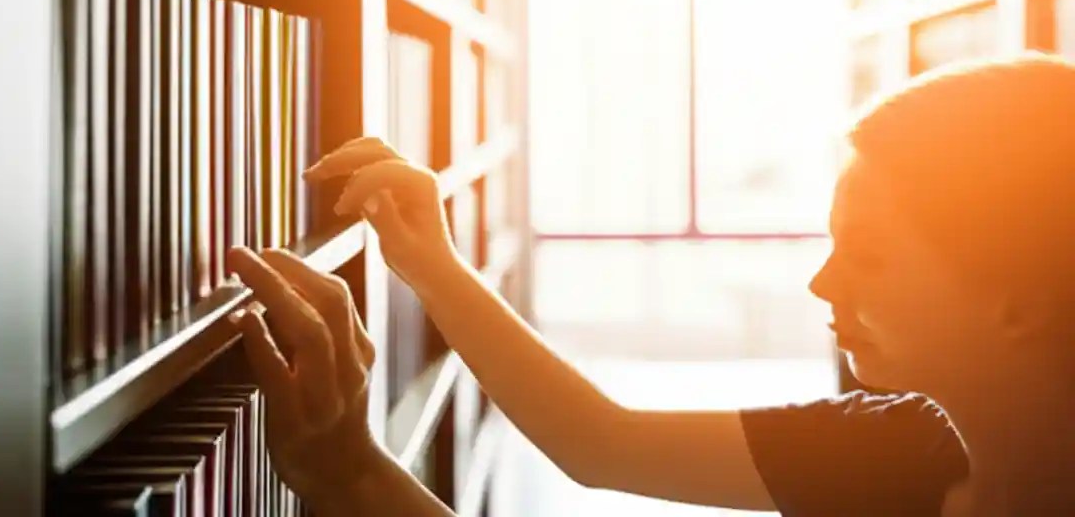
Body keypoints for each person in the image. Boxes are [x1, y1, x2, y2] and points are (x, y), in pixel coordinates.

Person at [224, 52, 1075, 516]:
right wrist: (352, 466)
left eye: (873, 255)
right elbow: (601, 443)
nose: (822, 283)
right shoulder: (892, 449)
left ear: (1018, 296)